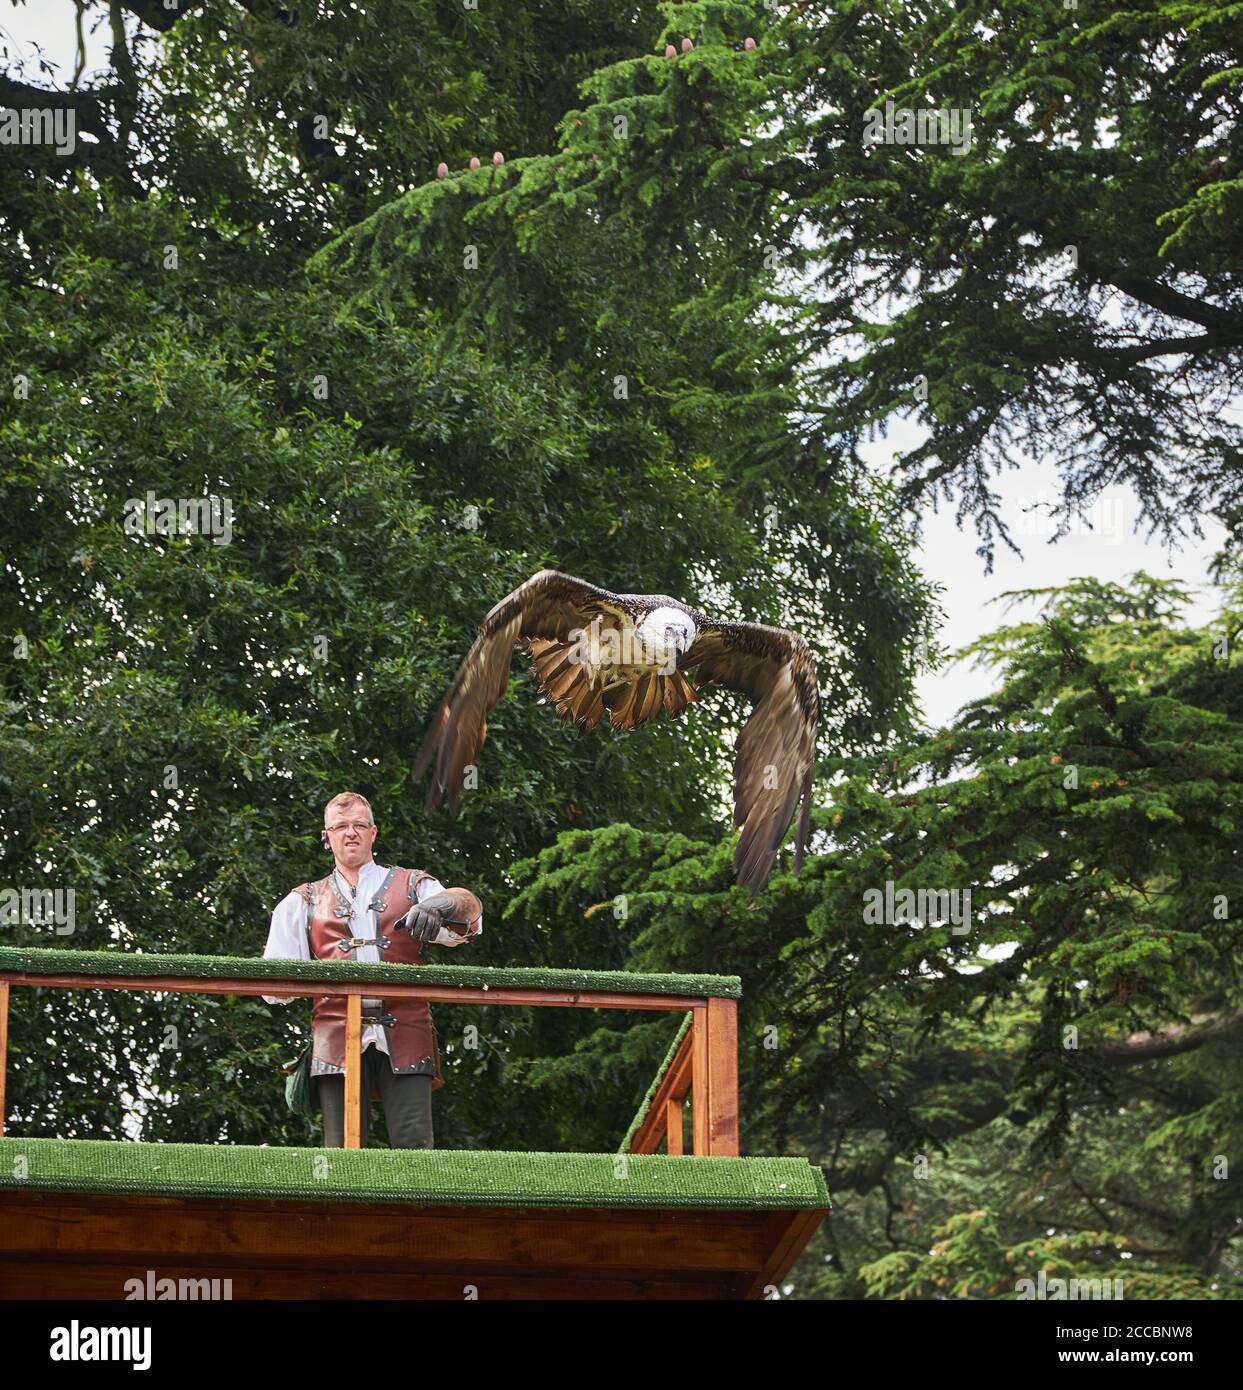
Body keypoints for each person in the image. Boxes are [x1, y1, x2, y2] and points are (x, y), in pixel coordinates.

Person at [262, 790, 482, 1148]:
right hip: (335, 1035)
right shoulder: (302, 901)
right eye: (341, 826)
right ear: (327, 836)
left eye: (359, 825)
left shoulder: (414, 886)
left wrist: (445, 904)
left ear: (373, 832)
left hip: (407, 1029)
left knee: (415, 1149)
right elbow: (274, 991)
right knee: (343, 1152)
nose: (351, 833)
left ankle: (416, 1206)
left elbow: (471, 922)